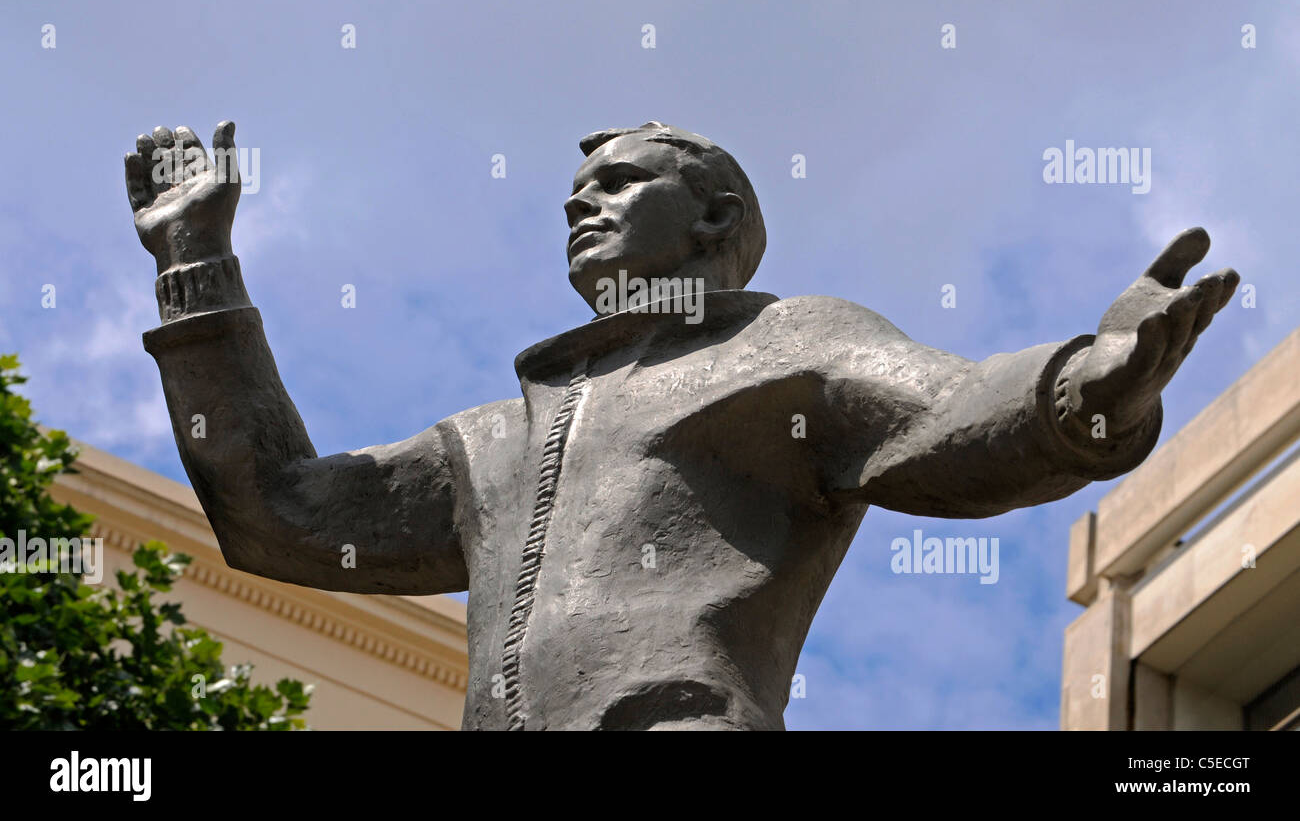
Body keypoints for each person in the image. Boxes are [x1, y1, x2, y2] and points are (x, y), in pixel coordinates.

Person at [124, 120, 1237, 730]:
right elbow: (280, 513)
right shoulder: (499, 439)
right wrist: (195, 267)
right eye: (574, 190)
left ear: (717, 218)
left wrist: (1090, 384)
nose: (580, 200)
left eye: (618, 180)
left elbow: (949, 414)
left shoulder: (790, 345)